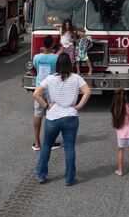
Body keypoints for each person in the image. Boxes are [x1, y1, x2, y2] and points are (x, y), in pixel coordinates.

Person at [34, 52, 92, 185]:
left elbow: (36, 94)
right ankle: (69, 179)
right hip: (71, 116)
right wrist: (78, 106)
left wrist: (46, 105)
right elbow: (87, 92)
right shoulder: (76, 78)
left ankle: (41, 175)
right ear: (70, 64)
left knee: (47, 146)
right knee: (69, 148)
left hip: (53, 117)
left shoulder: (50, 78)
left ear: (57, 65)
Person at [32, 37, 60, 152]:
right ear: (52, 45)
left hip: (39, 89)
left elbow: (35, 67)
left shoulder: (37, 57)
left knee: (38, 115)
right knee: (51, 116)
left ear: (43, 44)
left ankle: (37, 143)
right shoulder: (56, 58)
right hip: (51, 90)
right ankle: (51, 142)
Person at [111, 88, 129, 176]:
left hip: (121, 133)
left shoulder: (115, 108)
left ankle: (120, 170)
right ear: (125, 97)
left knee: (120, 150)